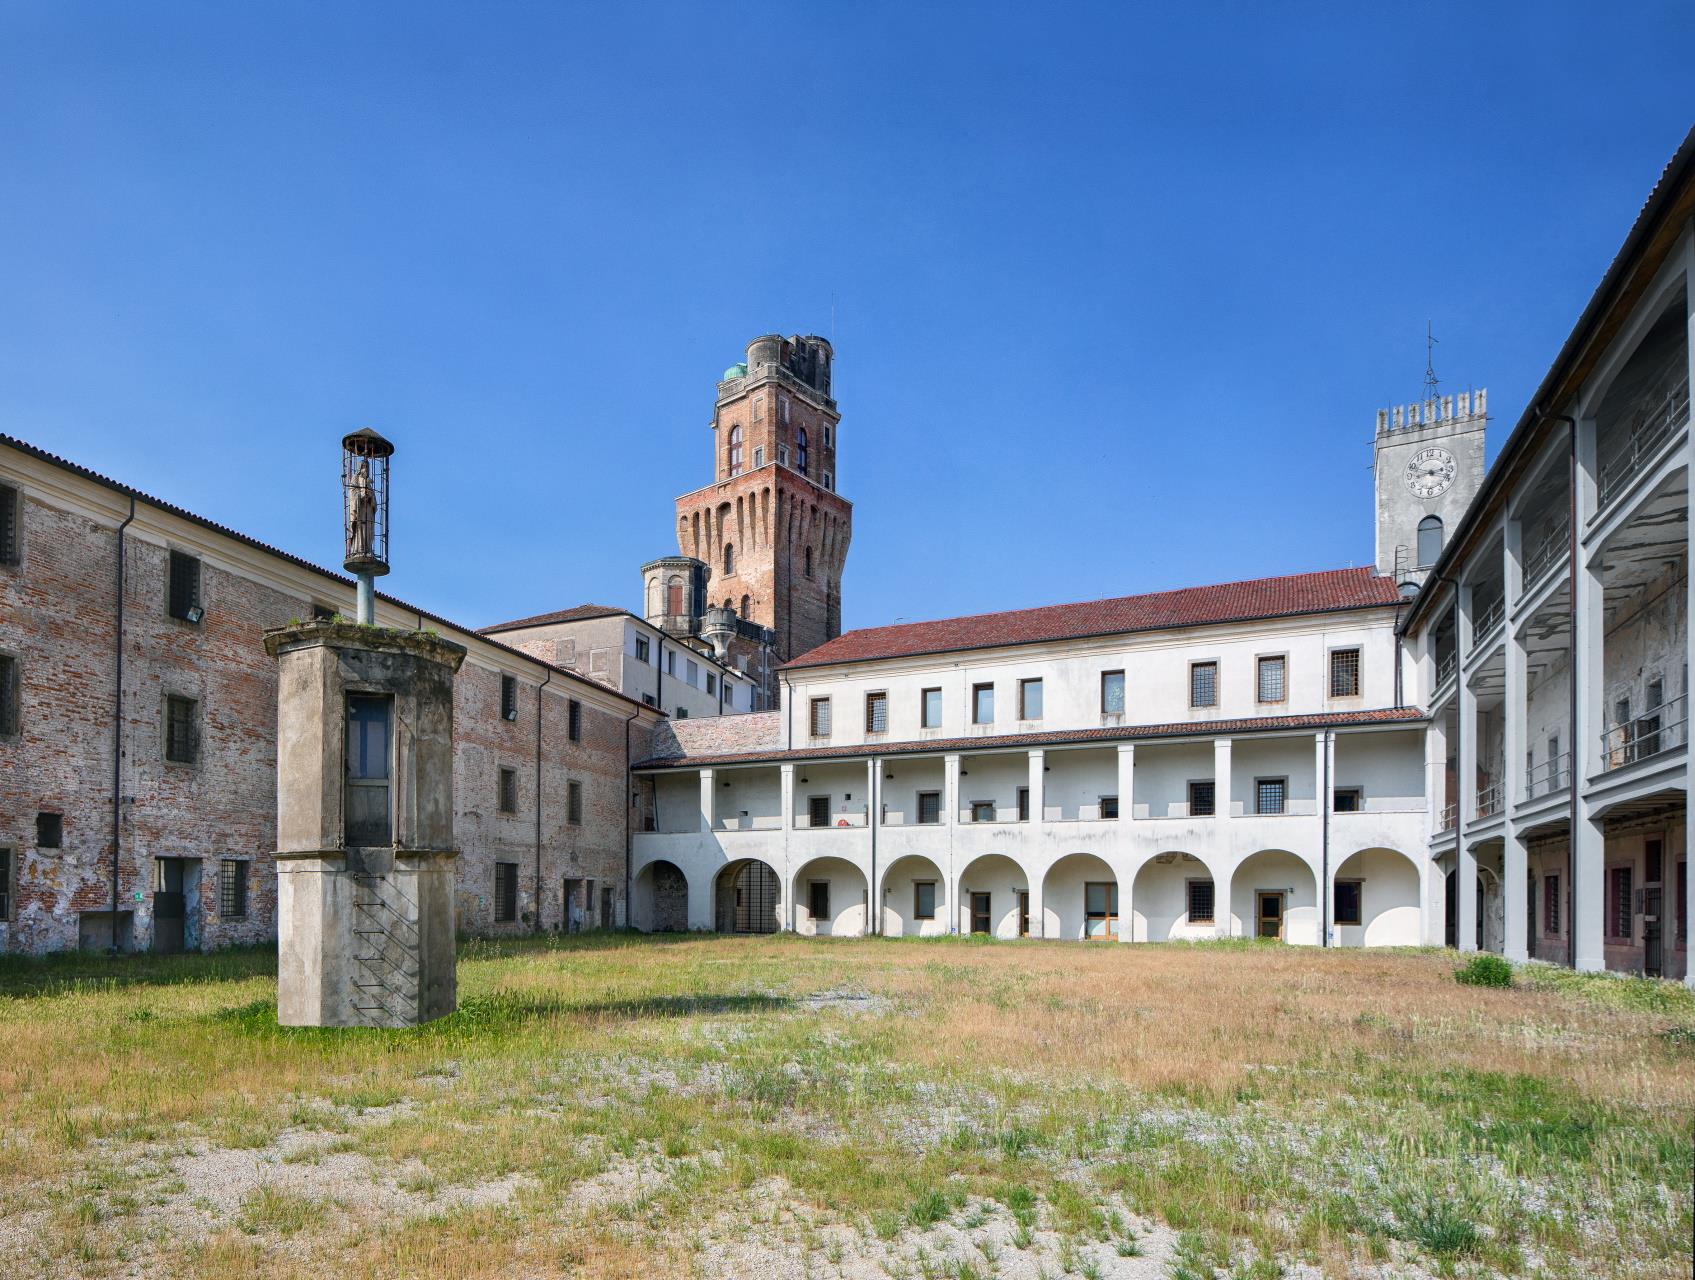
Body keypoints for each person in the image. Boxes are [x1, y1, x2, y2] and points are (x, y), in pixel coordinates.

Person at [347, 459, 377, 560]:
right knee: (360, 528)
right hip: (360, 509)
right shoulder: (355, 478)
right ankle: (359, 549)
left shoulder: (369, 482)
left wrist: (371, 497)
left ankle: (368, 549)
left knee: (368, 528)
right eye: (364, 466)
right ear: (360, 468)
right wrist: (361, 496)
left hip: (368, 509)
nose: (366, 469)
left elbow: (374, 499)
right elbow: (352, 493)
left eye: (367, 467)